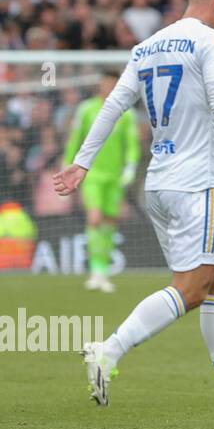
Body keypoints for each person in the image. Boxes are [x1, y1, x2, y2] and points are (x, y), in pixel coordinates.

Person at [53, 0, 214, 408]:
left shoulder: (146, 46)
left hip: (160, 183)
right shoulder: (213, 40)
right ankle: (109, 349)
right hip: (199, 183)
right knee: (192, 286)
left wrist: (82, 162)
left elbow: (114, 106)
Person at [63, 70, 140, 293]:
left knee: (109, 222)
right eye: (106, 83)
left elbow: (132, 144)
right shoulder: (86, 110)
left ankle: (103, 271)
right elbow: (75, 139)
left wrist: (130, 167)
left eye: (113, 83)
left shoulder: (126, 114)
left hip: (114, 177)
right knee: (95, 218)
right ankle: (96, 271)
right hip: (92, 176)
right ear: (100, 85)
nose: (109, 87)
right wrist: (67, 164)